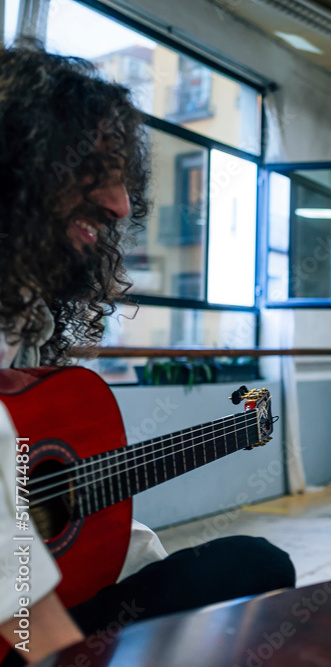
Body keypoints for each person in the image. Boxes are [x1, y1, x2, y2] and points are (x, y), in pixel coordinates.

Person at [0, 48, 294, 664]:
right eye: (91, 169)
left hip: (33, 607)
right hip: (18, 631)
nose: (120, 205)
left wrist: (126, 569)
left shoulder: (24, 316)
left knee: (252, 564)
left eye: (121, 177)